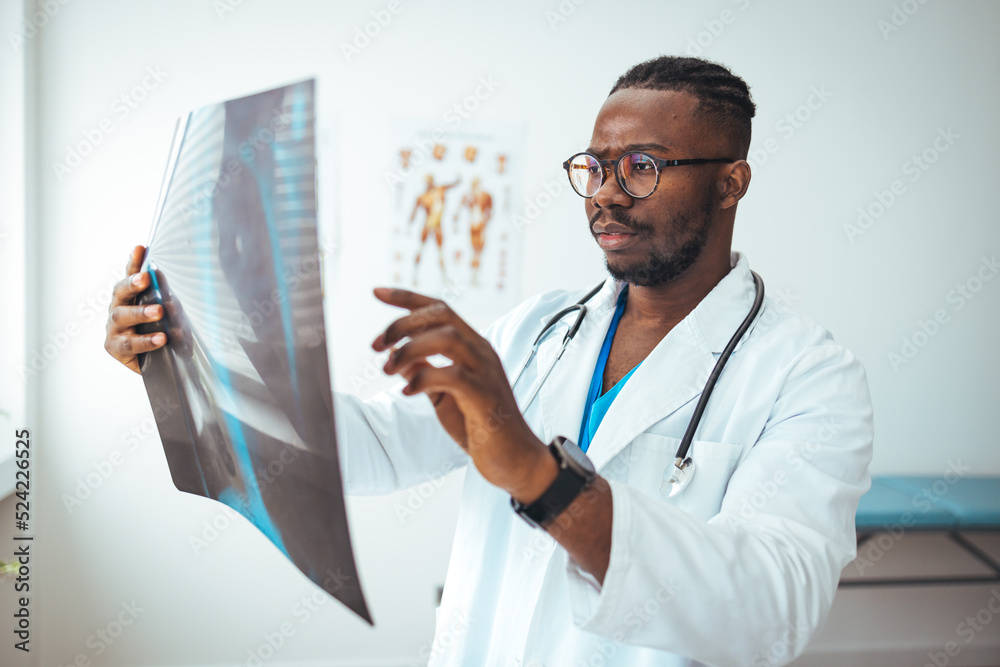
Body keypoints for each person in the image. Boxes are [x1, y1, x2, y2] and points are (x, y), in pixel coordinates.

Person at [104, 56, 873, 666]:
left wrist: (541, 476)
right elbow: (377, 445)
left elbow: (772, 608)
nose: (606, 194)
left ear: (731, 182)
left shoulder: (808, 376)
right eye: (595, 166)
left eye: (642, 165)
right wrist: (185, 362)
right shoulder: (537, 331)